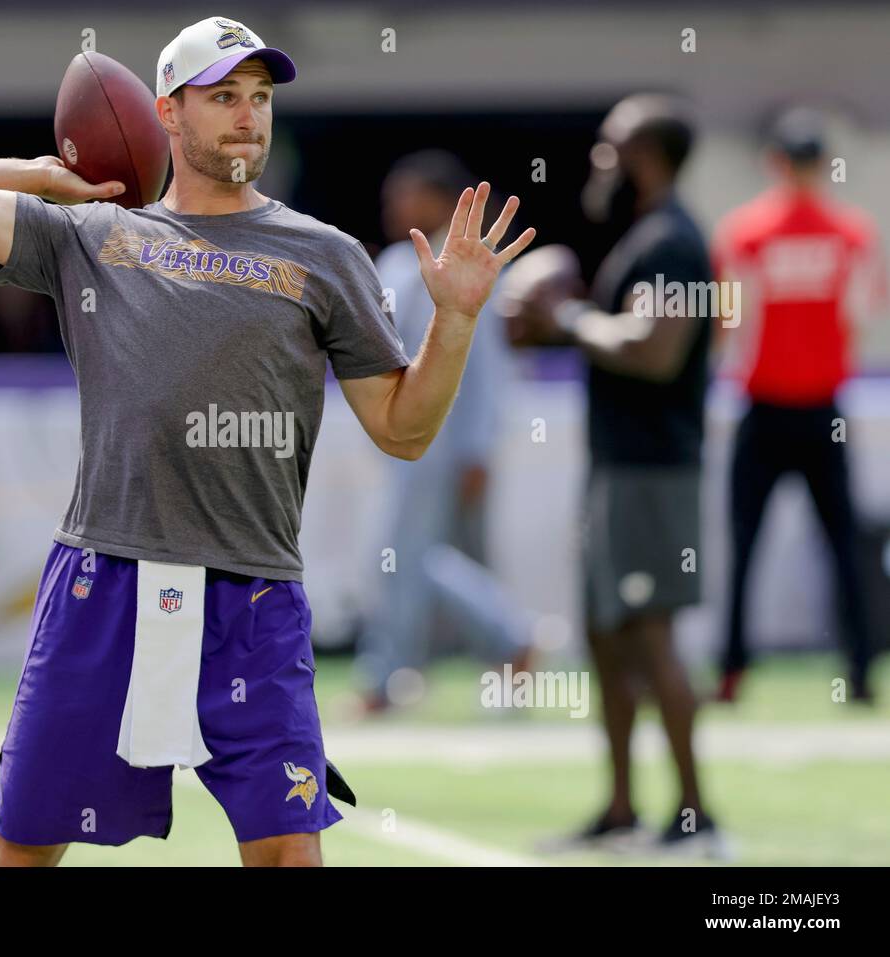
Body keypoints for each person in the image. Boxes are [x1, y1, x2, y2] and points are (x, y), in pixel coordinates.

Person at [0, 15, 534, 866]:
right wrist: (48, 179)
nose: (248, 115)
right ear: (168, 112)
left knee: (285, 856)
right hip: (107, 580)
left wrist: (453, 320)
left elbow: (404, 431)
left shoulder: (325, 255)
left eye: (260, 97)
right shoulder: (93, 237)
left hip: (253, 598)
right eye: (223, 95)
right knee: (24, 847)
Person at [504, 94, 723, 856]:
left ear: (646, 158)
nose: (600, 161)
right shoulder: (643, 238)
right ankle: (623, 808)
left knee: (651, 633)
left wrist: (563, 320)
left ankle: (696, 817)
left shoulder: (671, 242)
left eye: (611, 148)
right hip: (618, 465)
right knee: (606, 633)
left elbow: (655, 350)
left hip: (652, 468)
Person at [713, 107, 886, 703]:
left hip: (763, 407)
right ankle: (860, 675)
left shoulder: (745, 233)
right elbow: (862, 316)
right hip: (824, 410)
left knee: (744, 545)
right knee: (843, 544)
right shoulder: (853, 233)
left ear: (775, 163)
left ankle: (732, 673)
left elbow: (730, 322)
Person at [355, 150, 532, 712]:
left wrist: (477, 446)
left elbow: (486, 367)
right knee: (422, 558)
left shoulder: (466, 263)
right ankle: (503, 646)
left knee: (408, 557)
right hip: (409, 434)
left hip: (445, 440)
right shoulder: (401, 265)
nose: (395, 206)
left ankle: (391, 679)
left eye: (406, 195)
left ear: (438, 200)